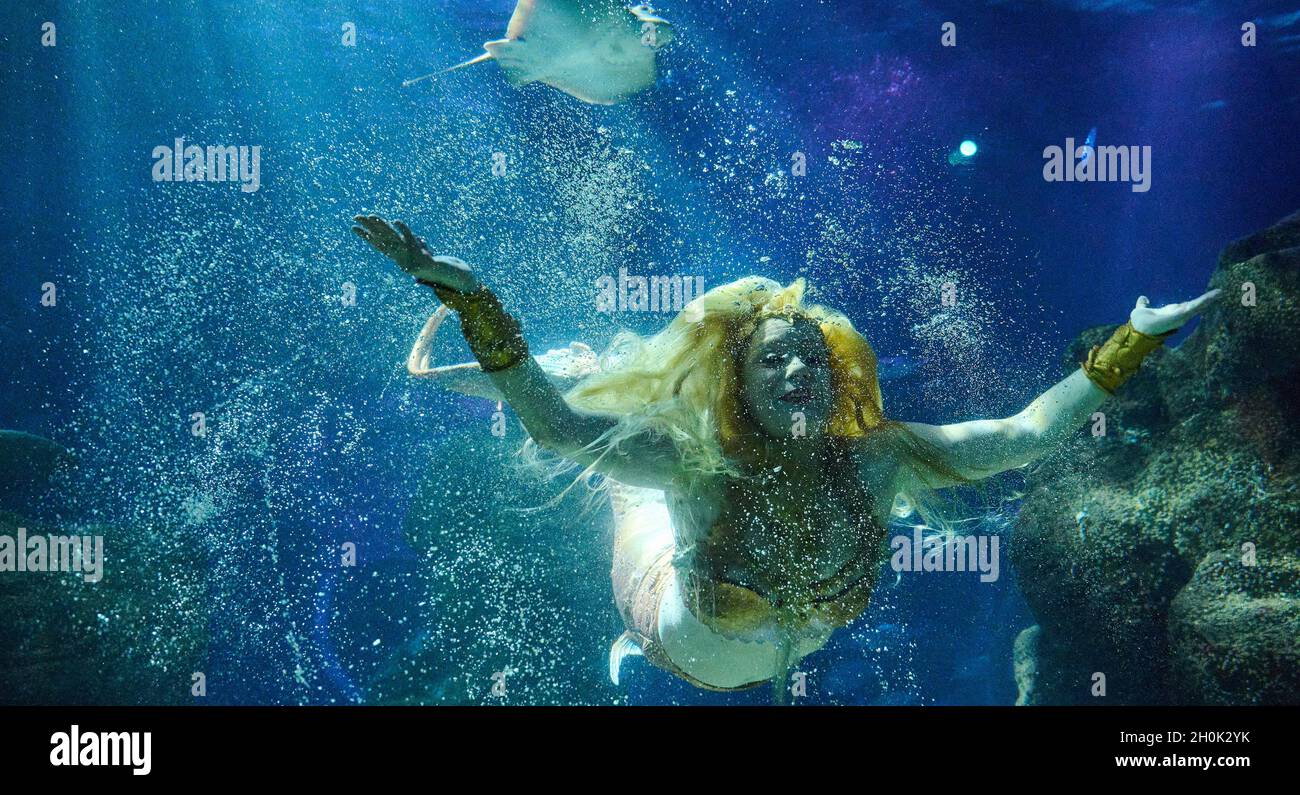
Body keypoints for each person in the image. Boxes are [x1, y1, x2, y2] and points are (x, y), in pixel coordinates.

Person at [353, 215, 1222, 695]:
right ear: (740, 380)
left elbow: (1024, 435)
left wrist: (1135, 338)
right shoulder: (697, 459)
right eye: (773, 360)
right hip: (660, 612)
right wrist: (476, 302)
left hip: (752, 646)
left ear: (835, 372)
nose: (798, 370)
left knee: (618, 434)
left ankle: (594, 374)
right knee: (621, 471)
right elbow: (556, 431)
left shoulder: (880, 458)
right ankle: (586, 368)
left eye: (810, 358)